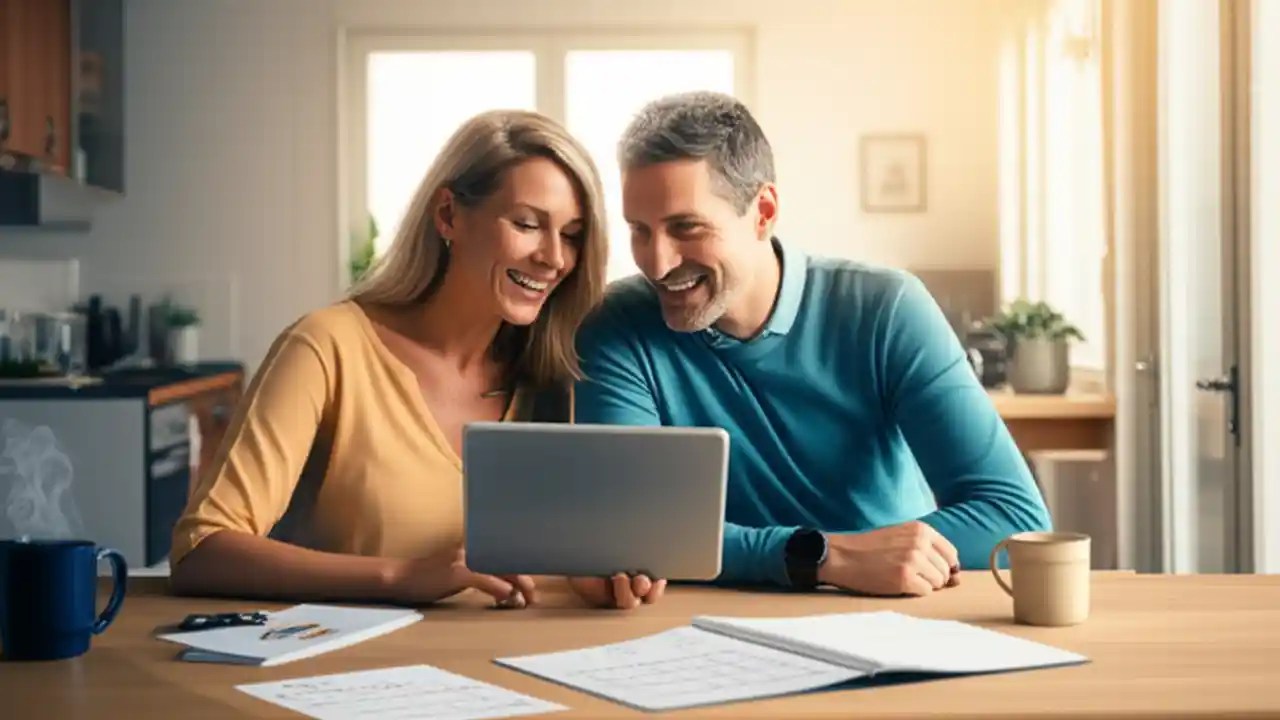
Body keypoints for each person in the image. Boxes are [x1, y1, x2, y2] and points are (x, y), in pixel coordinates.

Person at [169, 110, 664, 610]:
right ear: (448, 214)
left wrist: (593, 574)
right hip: (348, 675)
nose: (554, 258)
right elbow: (202, 551)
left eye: (573, 235)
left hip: (514, 671)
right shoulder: (326, 347)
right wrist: (400, 577)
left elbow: (552, 559)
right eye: (527, 224)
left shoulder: (556, 377)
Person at [574, 91, 1052, 598]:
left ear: (763, 211)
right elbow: (627, 527)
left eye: (686, 228)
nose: (658, 263)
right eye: (639, 232)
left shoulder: (886, 309)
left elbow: (1012, 517)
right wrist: (830, 558)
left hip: (890, 611)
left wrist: (854, 561)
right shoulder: (616, 324)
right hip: (705, 621)